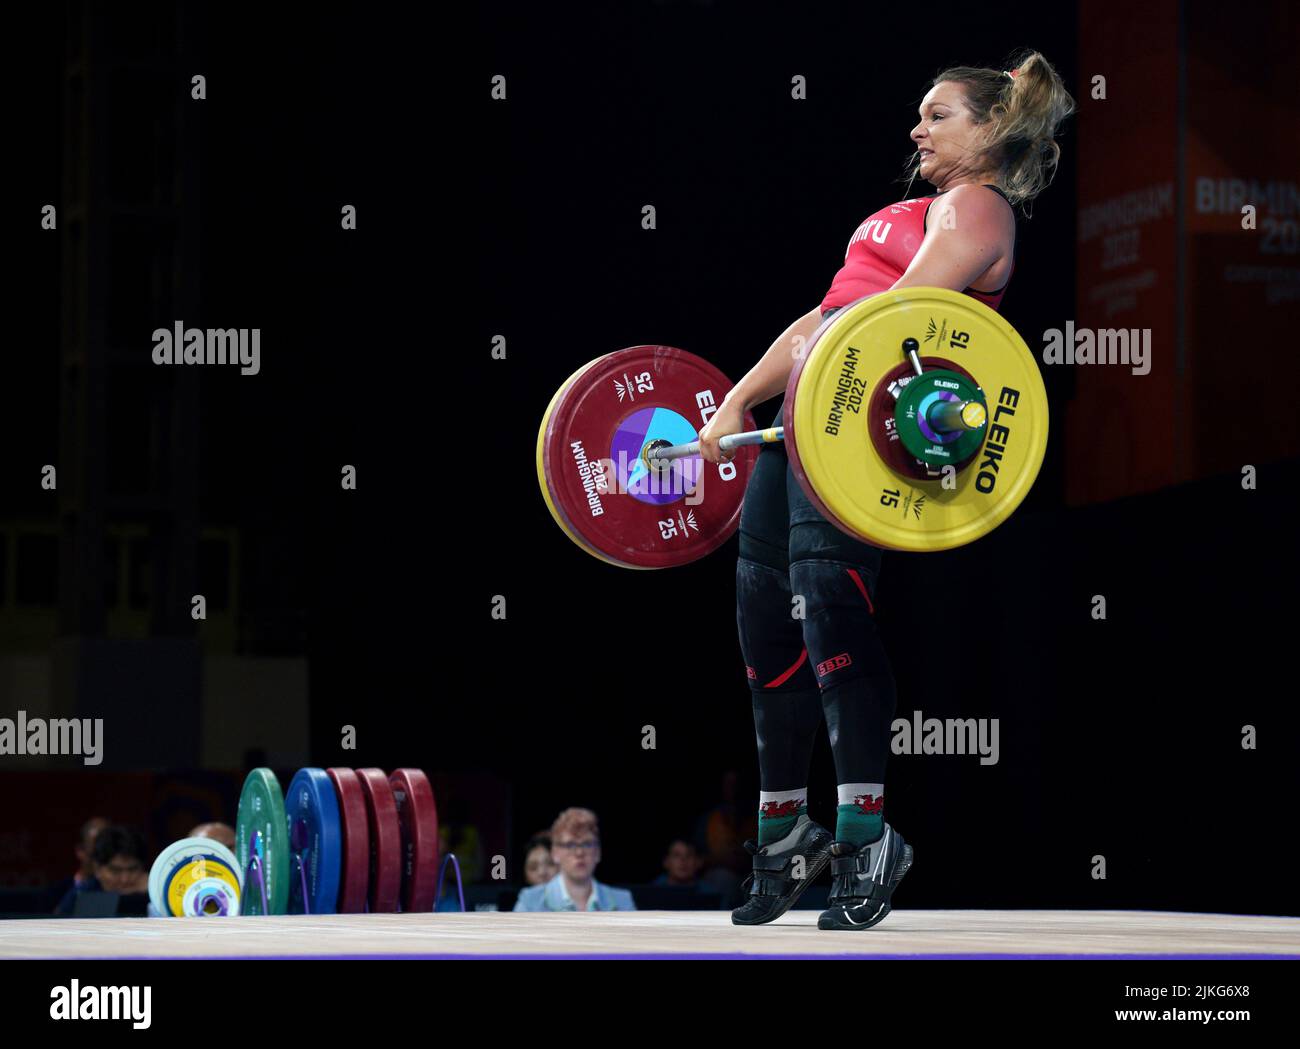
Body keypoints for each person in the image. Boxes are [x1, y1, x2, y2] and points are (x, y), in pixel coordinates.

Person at [699, 53, 1074, 931]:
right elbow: (825, 317)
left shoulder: (977, 207)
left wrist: (807, 378)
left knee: (829, 605)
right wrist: (737, 398)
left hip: (864, 432)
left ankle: (867, 834)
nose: (918, 129)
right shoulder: (896, 215)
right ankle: (787, 834)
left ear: (990, 129)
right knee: (764, 626)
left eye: (938, 115)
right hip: (803, 420)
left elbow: (891, 316)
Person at [513, 808, 635, 911]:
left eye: (587, 844)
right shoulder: (530, 901)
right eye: (570, 845)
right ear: (555, 853)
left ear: (598, 852)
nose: (579, 852)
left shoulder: (622, 901)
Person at [49, 817, 109, 914]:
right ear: (80, 850)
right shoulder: (58, 890)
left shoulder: (125, 885)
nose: (103, 854)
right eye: (96, 851)